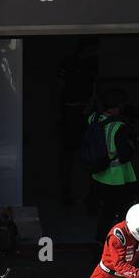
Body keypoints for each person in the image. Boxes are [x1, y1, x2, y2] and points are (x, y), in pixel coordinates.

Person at [86, 88, 139, 241]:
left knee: (104, 213)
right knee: (119, 213)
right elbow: (125, 156)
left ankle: (98, 243)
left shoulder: (93, 118)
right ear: (118, 106)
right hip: (117, 178)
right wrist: (134, 142)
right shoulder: (119, 127)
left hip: (98, 173)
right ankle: (119, 244)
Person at [56, 37, 99, 205]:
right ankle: (66, 192)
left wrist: (94, 106)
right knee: (68, 154)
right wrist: (59, 114)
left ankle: (92, 195)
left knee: (92, 153)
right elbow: (57, 89)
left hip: (87, 111)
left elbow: (95, 86)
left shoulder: (94, 62)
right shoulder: (68, 63)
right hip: (70, 111)